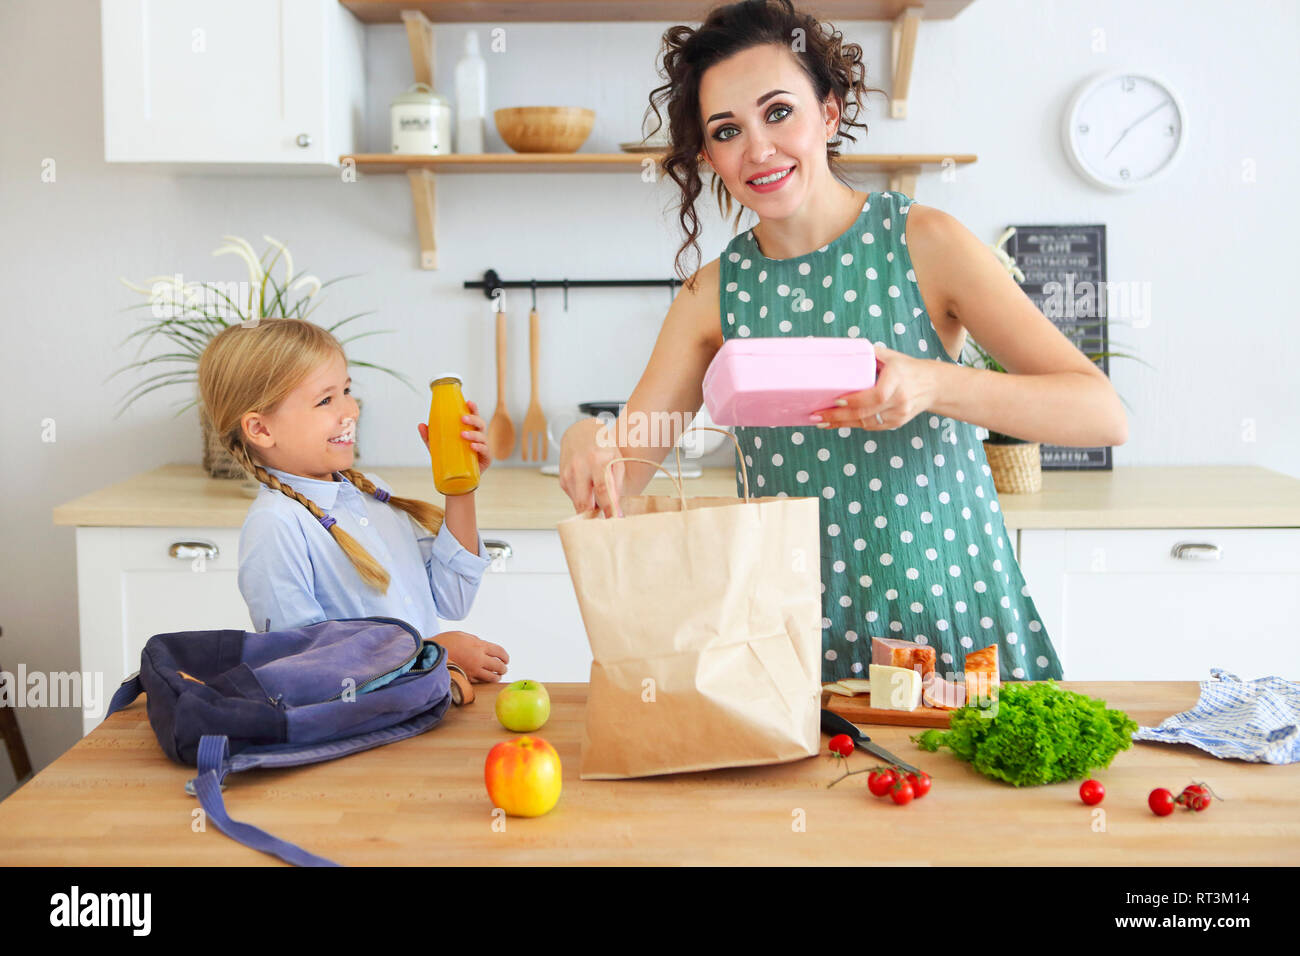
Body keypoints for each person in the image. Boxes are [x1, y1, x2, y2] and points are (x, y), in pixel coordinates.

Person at [559, 0, 1128, 684]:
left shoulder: (926, 243)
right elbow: (626, 473)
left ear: (828, 112)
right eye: (727, 131)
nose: (758, 149)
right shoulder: (707, 298)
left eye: (778, 112)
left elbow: (1101, 413)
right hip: (794, 648)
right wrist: (589, 443)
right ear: (708, 155)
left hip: (953, 626)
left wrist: (934, 383)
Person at [197, 317, 510, 683]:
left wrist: (460, 486)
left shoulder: (372, 494)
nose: (351, 411)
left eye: (346, 391)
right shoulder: (276, 525)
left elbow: (452, 599)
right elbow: (305, 667)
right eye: (326, 400)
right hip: (364, 732)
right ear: (261, 429)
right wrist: (430, 653)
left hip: (418, 709)